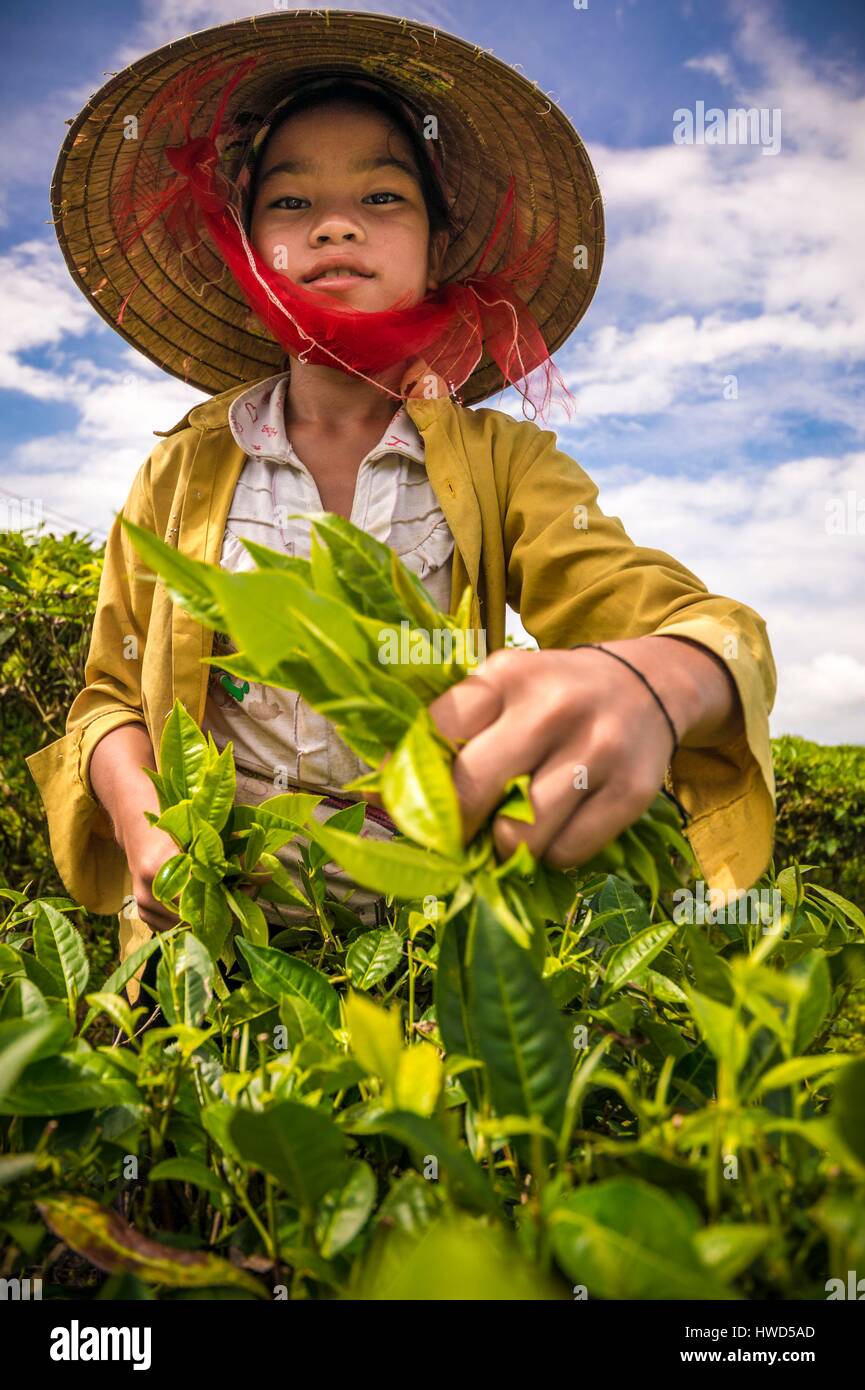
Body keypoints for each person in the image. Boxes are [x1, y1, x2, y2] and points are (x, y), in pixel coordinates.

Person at [25, 12, 776, 1002]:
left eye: (382, 194)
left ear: (437, 245)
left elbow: (694, 625)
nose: (334, 224)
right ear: (248, 253)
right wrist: (141, 820)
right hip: (208, 955)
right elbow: (111, 699)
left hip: (430, 958)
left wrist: (658, 680)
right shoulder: (179, 467)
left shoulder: (506, 463)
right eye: (290, 201)